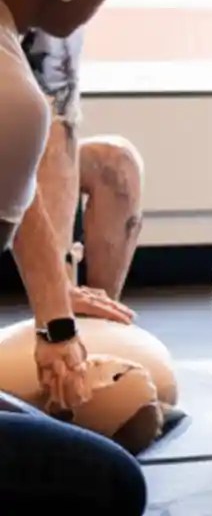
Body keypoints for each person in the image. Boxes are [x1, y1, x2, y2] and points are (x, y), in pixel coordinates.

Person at [0, 0, 148, 513]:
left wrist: (57, 315)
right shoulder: (12, 97)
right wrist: (54, 322)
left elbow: (31, 173)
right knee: (111, 482)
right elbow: (30, 149)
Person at [8, 25, 145, 310]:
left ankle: (98, 318)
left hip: (14, 156)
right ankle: (59, 310)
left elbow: (57, 120)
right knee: (43, 144)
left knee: (117, 166)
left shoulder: (51, 10)